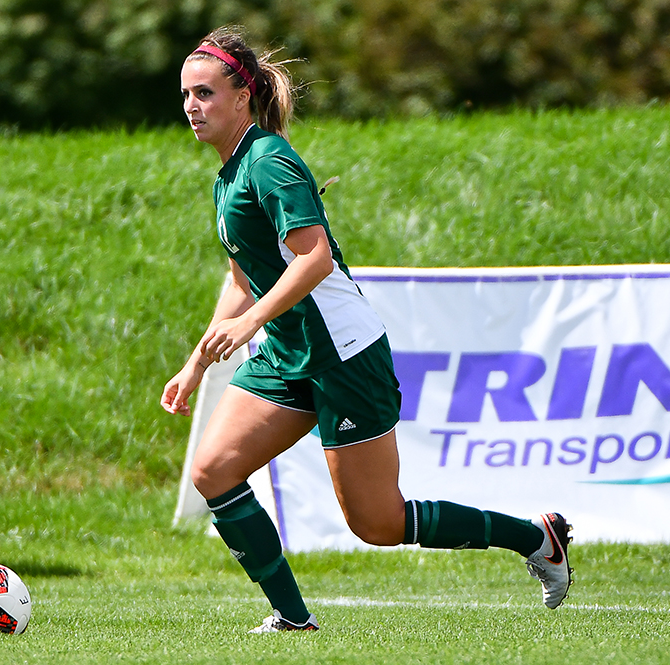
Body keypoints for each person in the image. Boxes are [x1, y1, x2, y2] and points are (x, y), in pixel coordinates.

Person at [161, 27, 573, 633]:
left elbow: (314, 258)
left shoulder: (269, 160)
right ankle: (293, 620)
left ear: (244, 95)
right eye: (186, 95)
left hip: (343, 353)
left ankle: (535, 538)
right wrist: (199, 360)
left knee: (377, 524)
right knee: (213, 471)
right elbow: (243, 280)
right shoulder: (228, 175)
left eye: (205, 93)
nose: (193, 106)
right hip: (288, 352)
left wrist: (249, 324)